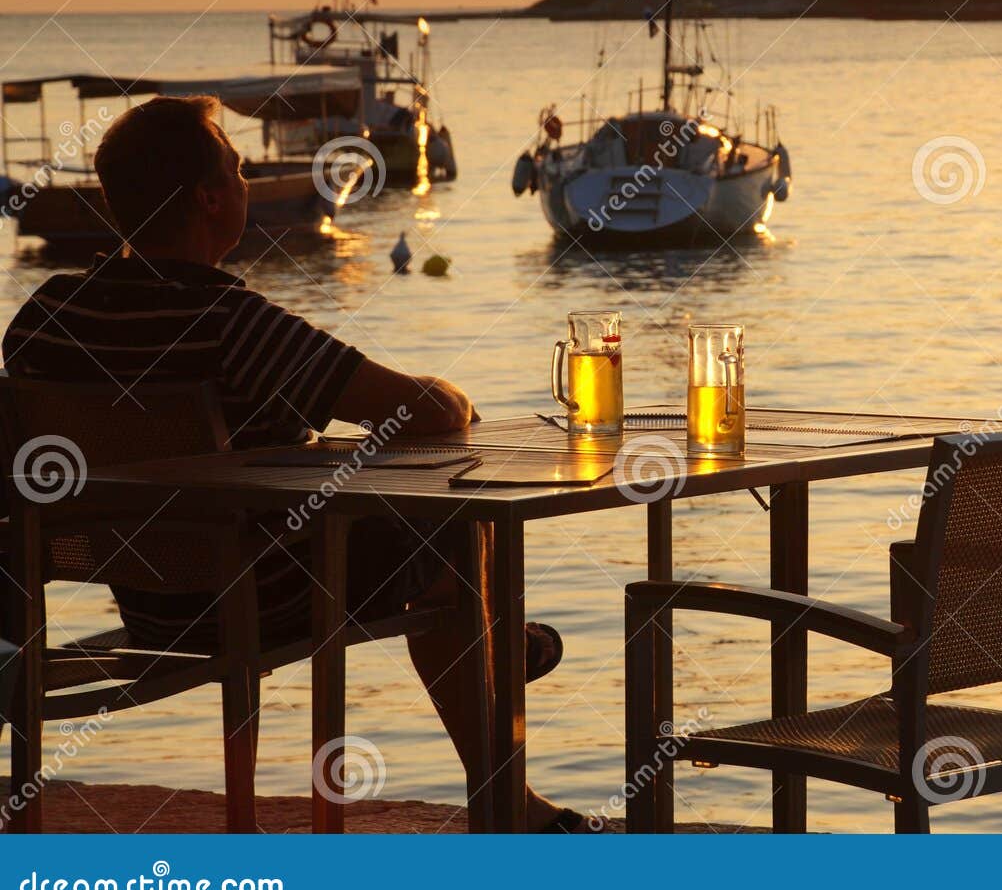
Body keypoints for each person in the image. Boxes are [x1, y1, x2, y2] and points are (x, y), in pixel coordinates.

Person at [1, 96, 597, 832]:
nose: (249, 177)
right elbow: (427, 410)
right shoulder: (230, 320)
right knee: (452, 527)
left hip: (144, 597)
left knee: (427, 538)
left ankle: (498, 647)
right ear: (211, 199)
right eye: (238, 165)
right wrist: (453, 396)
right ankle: (503, 785)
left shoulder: (44, 318)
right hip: (254, 594)